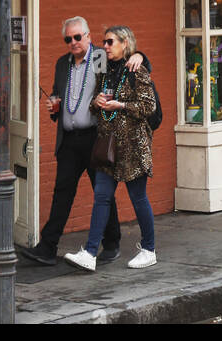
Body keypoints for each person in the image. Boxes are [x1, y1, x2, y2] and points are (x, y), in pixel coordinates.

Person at [17, 16, 145, 265]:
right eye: (68, 39)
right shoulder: (62, 64)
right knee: (62, 192)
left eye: (78, 37)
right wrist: (54, 106)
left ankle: (112, 243)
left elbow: (124, 61)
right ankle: (47, 246)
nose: (73, 43)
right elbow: (57, 93)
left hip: (95, 137)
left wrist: (140, 55)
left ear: (87, 36)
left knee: (102, 191)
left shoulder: (99, 58)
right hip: (69, 139)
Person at [65, 24, 157, 272]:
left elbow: (149, 107)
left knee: (138, 198)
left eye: (110, 42)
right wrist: (97, 102)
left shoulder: (137, 70)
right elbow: (95, 104)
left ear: (124, 43)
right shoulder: (104, 70)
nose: (104, 47)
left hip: (133, 147)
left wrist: (121, 106)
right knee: (102, 197)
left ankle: (149, 249)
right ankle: (91, 252)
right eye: (104, 42)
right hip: (108, 146)